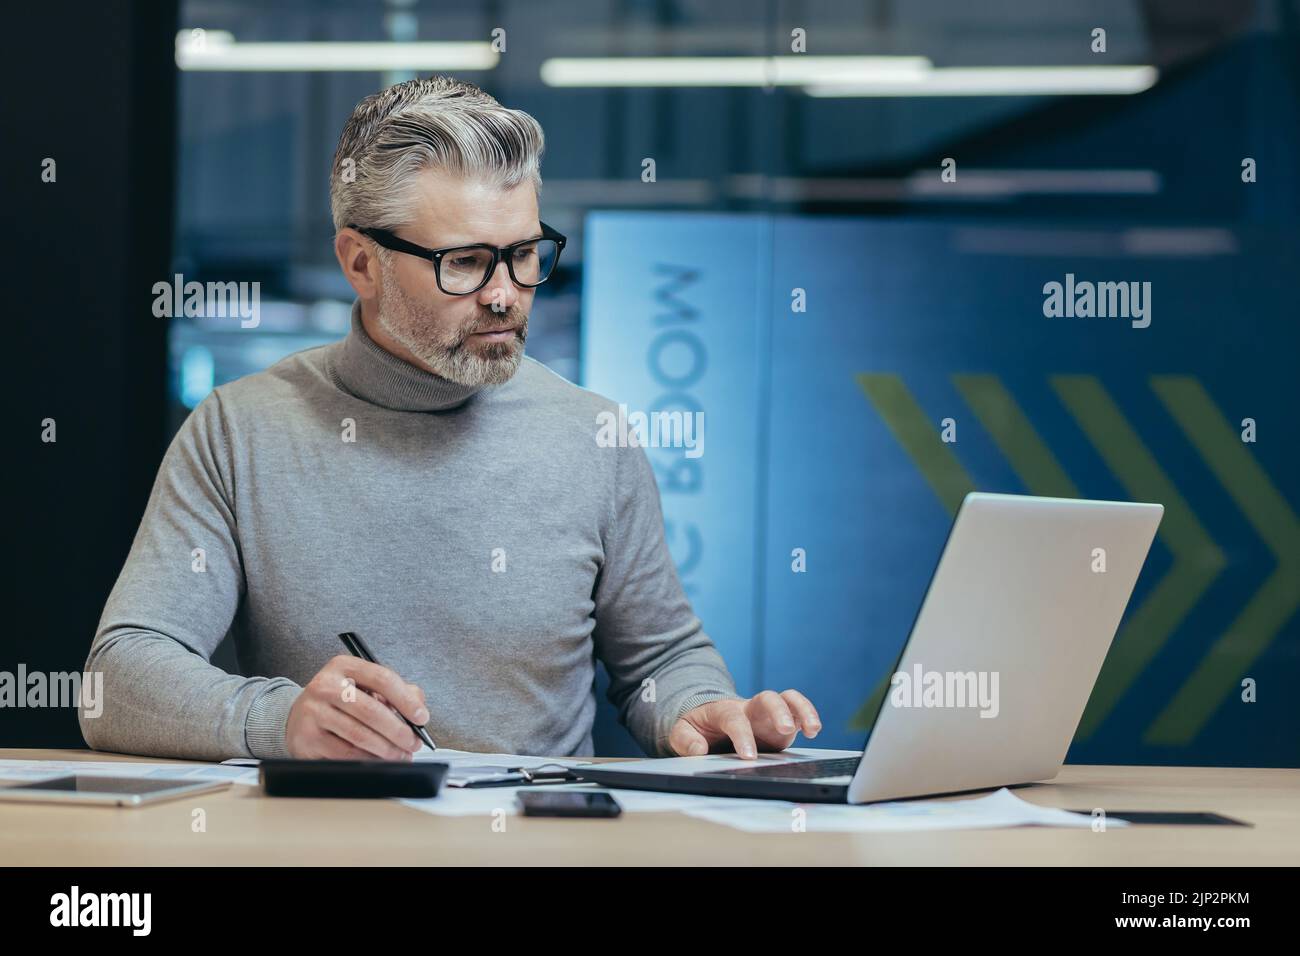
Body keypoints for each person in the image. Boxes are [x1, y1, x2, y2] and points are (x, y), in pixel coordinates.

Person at [81, 76, 821, 762]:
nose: (505, 294)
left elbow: (661, 658)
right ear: (360, 263)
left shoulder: (592, 436)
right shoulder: (238, 432)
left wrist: (699, 707)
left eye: (524, 253)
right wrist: (279, 719)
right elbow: (116, 681)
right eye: (465, 262)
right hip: (325, 837)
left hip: (539, 839)